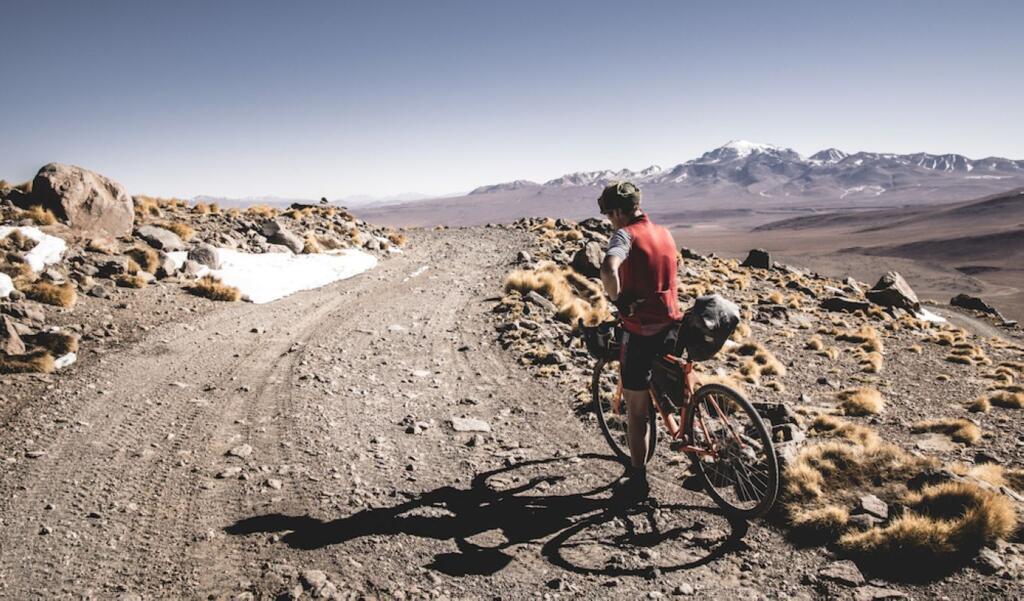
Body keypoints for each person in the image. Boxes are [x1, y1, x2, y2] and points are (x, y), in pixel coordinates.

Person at [597, 181, 682, 500]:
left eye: (609, 215)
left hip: (642, 330)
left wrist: (617, 299)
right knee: (667, 383)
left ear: (619, 212)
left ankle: (637, 478)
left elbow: (609, 267)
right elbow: (676, 265)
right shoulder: (665, 232)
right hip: (672, 325)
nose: (610, 221)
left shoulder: (625, 235)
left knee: (637, 410)